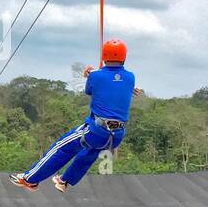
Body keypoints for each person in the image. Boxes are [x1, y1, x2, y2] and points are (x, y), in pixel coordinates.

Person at [10, 39, 142, 192]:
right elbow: (117, 82)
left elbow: (90, 90)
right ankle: (64, 181)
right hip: (117, 135)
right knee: (89, 153)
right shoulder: (130, 77)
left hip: (96, 130)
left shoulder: (96, 76)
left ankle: (29, 179)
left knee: (62, 148)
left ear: (104, 57)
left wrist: (90, 73)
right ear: (124, 57)